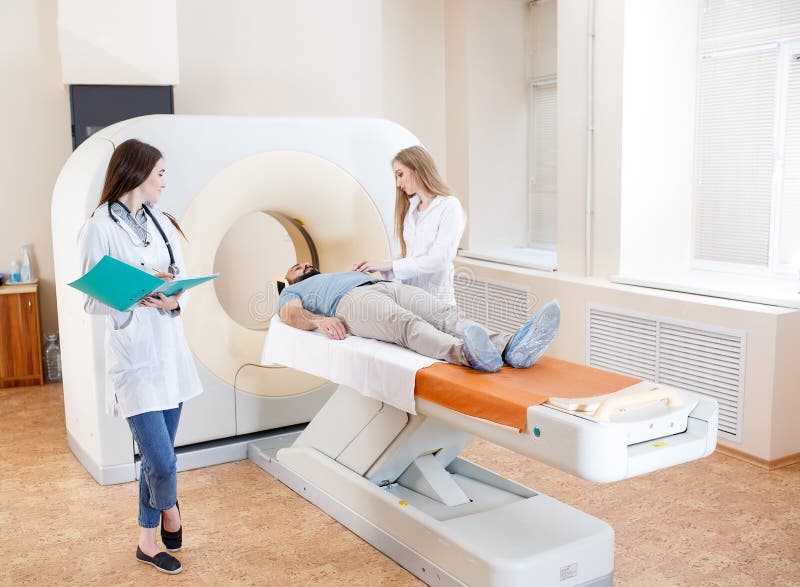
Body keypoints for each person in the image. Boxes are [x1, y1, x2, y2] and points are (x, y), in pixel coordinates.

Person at [78, 139, 203, 575]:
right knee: (162, 462)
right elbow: (93, 302)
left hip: (170, 352)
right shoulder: (98, 227)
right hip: (134, 359)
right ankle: (170, 510)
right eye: (161, 173)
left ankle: (147, 544)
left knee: (158, 458)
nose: (166, 182)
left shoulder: (163, 223)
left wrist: (173, 300)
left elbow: (183, 280)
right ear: (137, 173)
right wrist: (138, 289)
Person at [278, 263, 560, 373]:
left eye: (306, 263)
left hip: (384, 286)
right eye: (296, 266)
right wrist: (319, 321)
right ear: (288, 280)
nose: (304, 265)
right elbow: (290, 315)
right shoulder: (294, 291)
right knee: (407, 325)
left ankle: (511, 347)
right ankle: (466, 354)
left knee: (445, 314)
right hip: (350, 302)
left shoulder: (334, 273)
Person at [352, 146, 466, 305]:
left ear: (417, 168)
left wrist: (390, 265)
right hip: (410, 301)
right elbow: (411, 257)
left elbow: (440, 259)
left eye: (400, 174)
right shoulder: (411, 211)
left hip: (438, 303)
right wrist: (380, 265)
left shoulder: (449, 206)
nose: (398, 184)